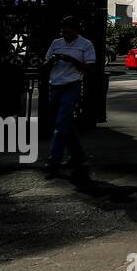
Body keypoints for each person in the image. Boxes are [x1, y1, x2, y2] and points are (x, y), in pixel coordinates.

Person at [41, 16, 95, 178]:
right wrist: (53, 60)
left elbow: (90, 68)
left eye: (68, 30)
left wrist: (71, 60)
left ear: (76, 30)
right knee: (65, 123)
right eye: (63, 30)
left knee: (61, 122)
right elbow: (45, 64)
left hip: (72, 85)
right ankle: (78, 156)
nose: (65, 33)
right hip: (55, 85)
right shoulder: (56, 43)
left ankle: (53, 160)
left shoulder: (85, 45)